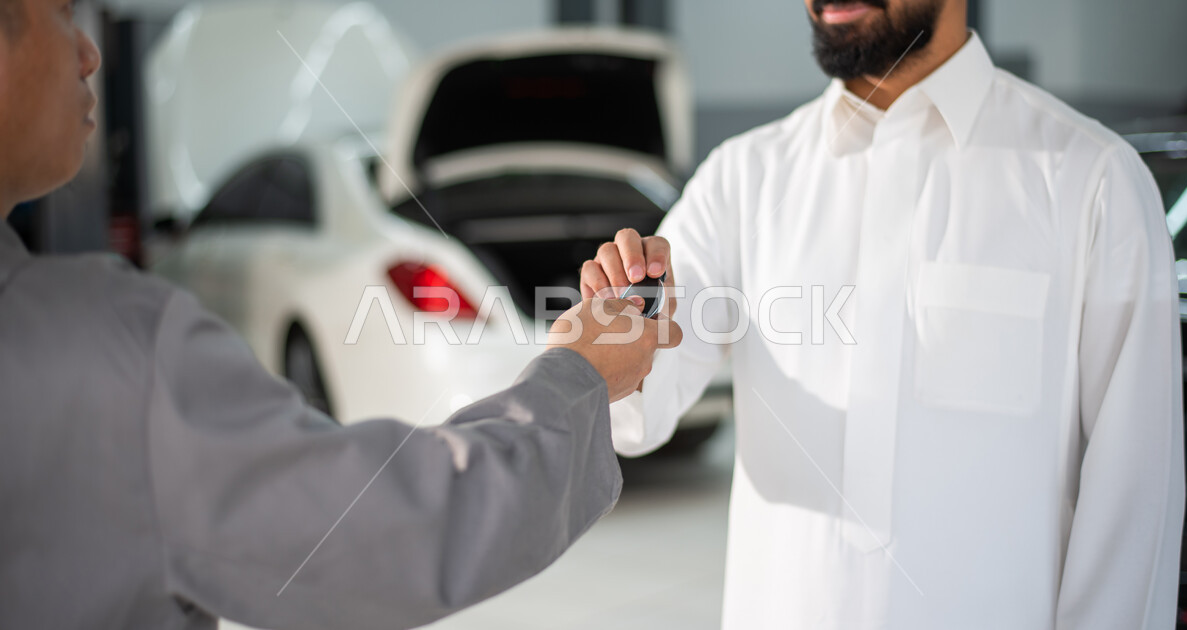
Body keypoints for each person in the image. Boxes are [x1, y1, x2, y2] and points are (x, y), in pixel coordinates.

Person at [0, 0, 682, 628]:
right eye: (62, 14)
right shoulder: (109, 350)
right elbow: (403, 529)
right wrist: (579, 372)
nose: (89, 52)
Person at [582, 0, 1184, 627]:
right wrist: (618, 322)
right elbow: (635, 416)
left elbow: (1132, 508)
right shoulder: (741, 179)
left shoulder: (1094, 182)